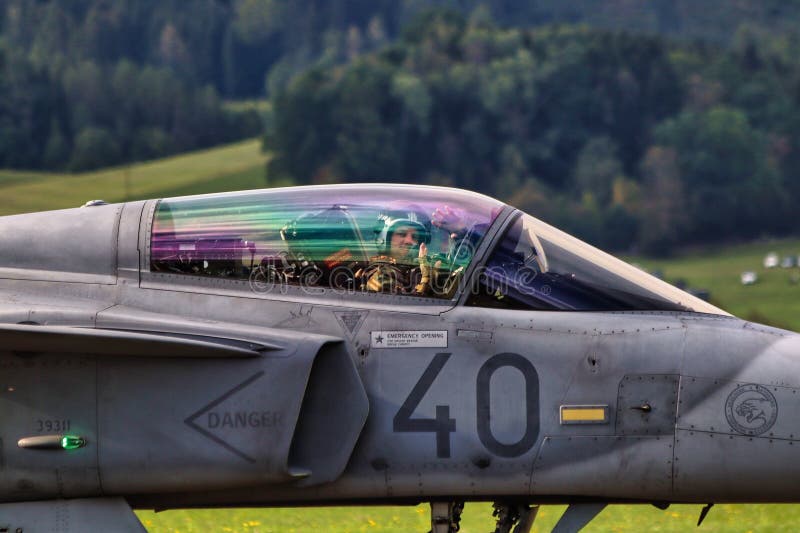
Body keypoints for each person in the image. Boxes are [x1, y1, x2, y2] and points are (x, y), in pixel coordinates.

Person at [358, 210, 432, 295]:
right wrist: (426, 277)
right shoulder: (381, 275)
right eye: (402, 234)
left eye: (414, 236)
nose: (409, 241)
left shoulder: (409, 270)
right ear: (384, 236)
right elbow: (407, 305)